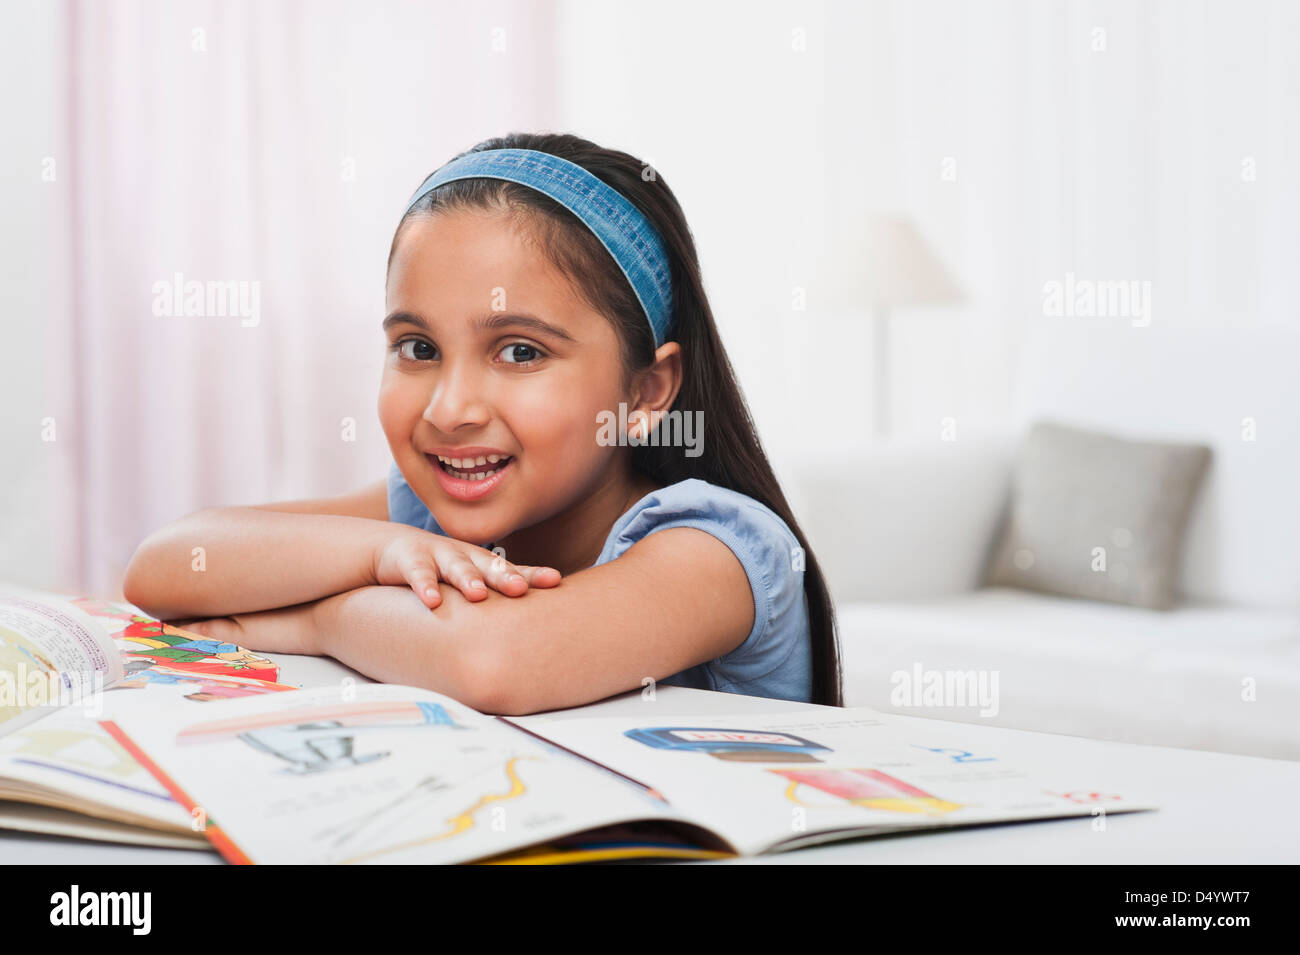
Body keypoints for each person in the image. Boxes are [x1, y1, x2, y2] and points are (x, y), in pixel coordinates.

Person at [124, 132, 842, 714]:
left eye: (521, 351)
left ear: (647, 390)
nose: (449, 409)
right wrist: (377, 554)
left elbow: (492, 658)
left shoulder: (720, 551)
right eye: (419, 348)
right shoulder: (425, 526)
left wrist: (314, 618)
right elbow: (168, 565)